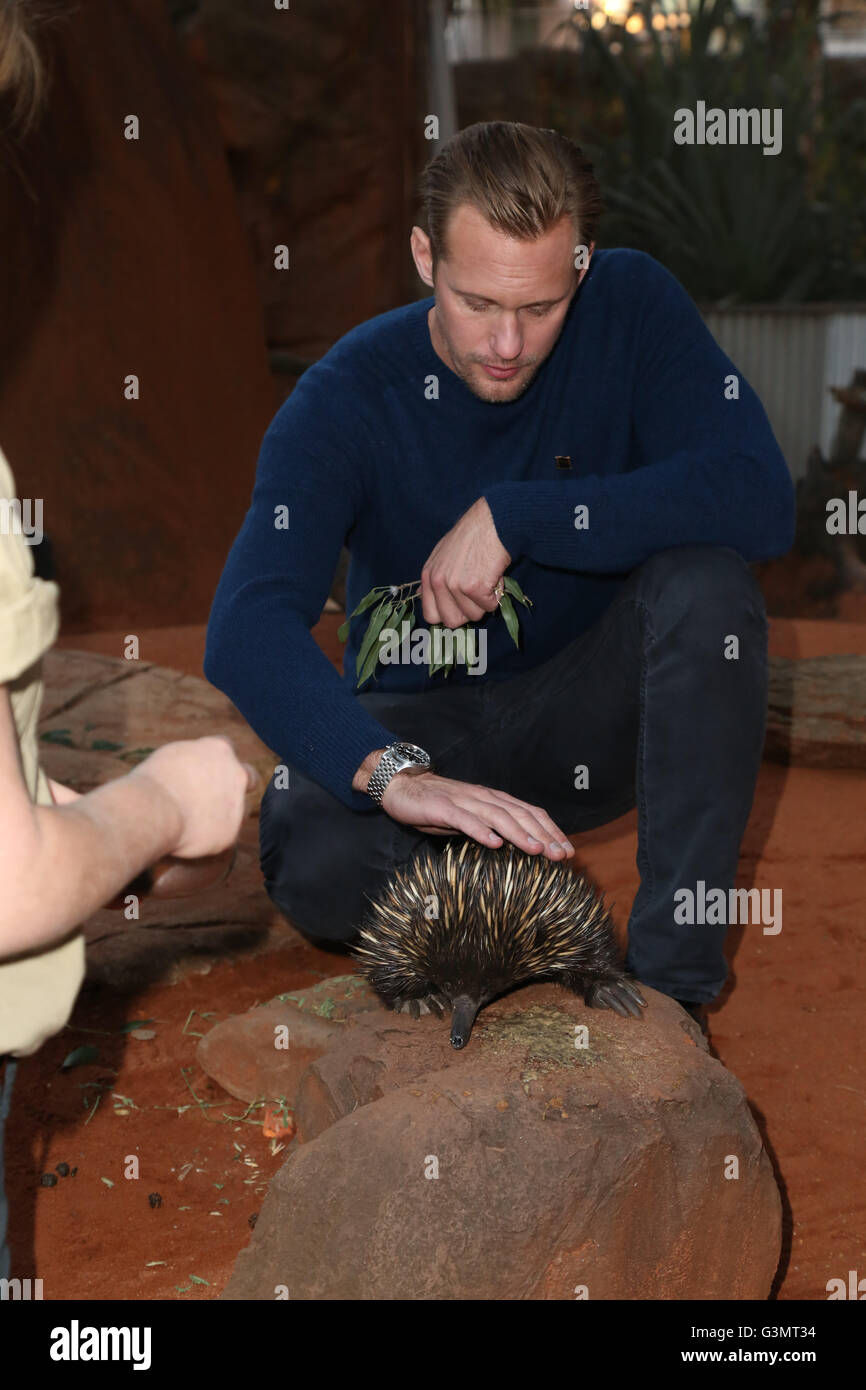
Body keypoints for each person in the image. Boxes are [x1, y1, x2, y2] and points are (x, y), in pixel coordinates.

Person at [205, 121, 794, 1030]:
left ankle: (672, 997)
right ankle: (509, 905)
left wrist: (518, 514)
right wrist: (394, 775)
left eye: (542, 307)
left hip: (586, 711)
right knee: (307, 840)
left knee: (708, 585)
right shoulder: (348, 394)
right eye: (477, 302)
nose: (509, 344)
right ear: (422, 254)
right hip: (424, 729)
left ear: (584, 264)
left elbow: (759, 497)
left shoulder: (632, 307)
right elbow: (247, 625)